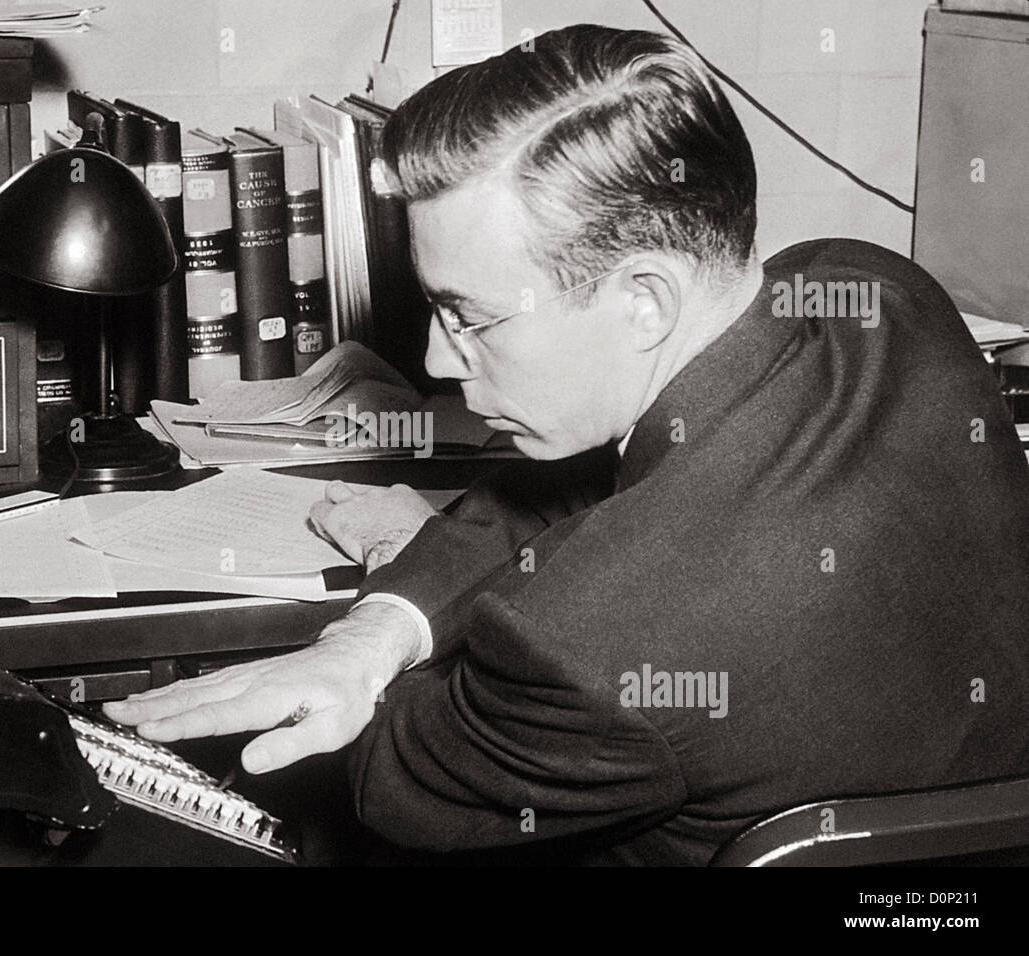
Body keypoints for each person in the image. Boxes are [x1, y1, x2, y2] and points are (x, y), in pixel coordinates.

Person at [104, 24, 1029, 864]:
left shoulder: (585, 656)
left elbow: (382, 785)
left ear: (643, 300)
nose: (434, 354)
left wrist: (386, 573)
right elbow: (579, 490)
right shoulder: (878, 295)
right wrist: (382, 628)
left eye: (467, 316)